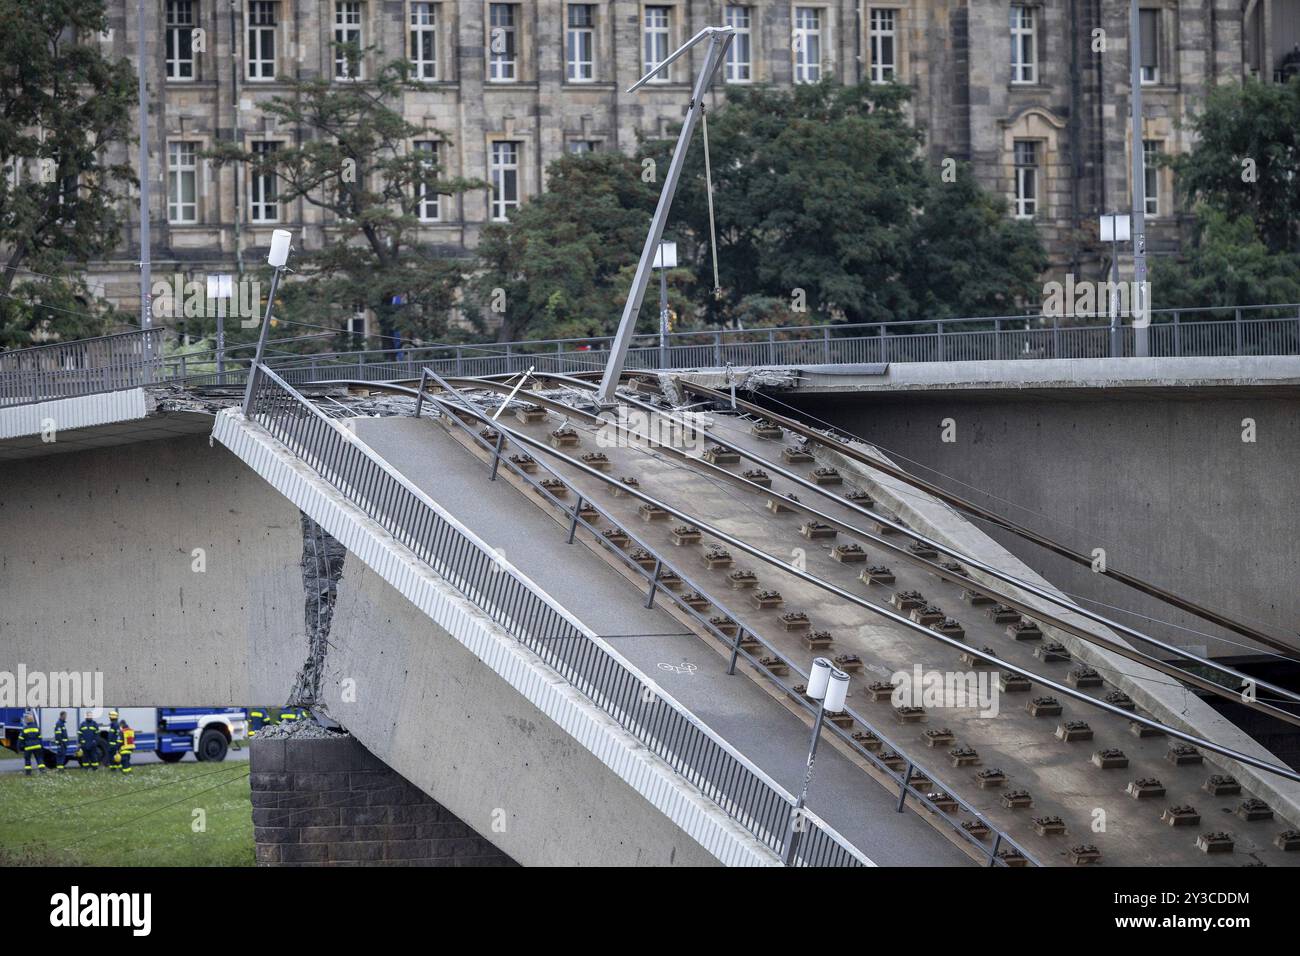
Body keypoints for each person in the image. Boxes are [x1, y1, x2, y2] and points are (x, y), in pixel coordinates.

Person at [19, 711, 45, 775]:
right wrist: (41, 746)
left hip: (28, 747)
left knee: (27, 760)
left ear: (27, 721)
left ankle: (28, 773)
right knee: (39, 758)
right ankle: (42, 771)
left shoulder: (24, 729)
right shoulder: (36, 728)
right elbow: (40, 738)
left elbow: (21, 739)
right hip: (37, 746)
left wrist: (21, 747)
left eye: (25, 720)